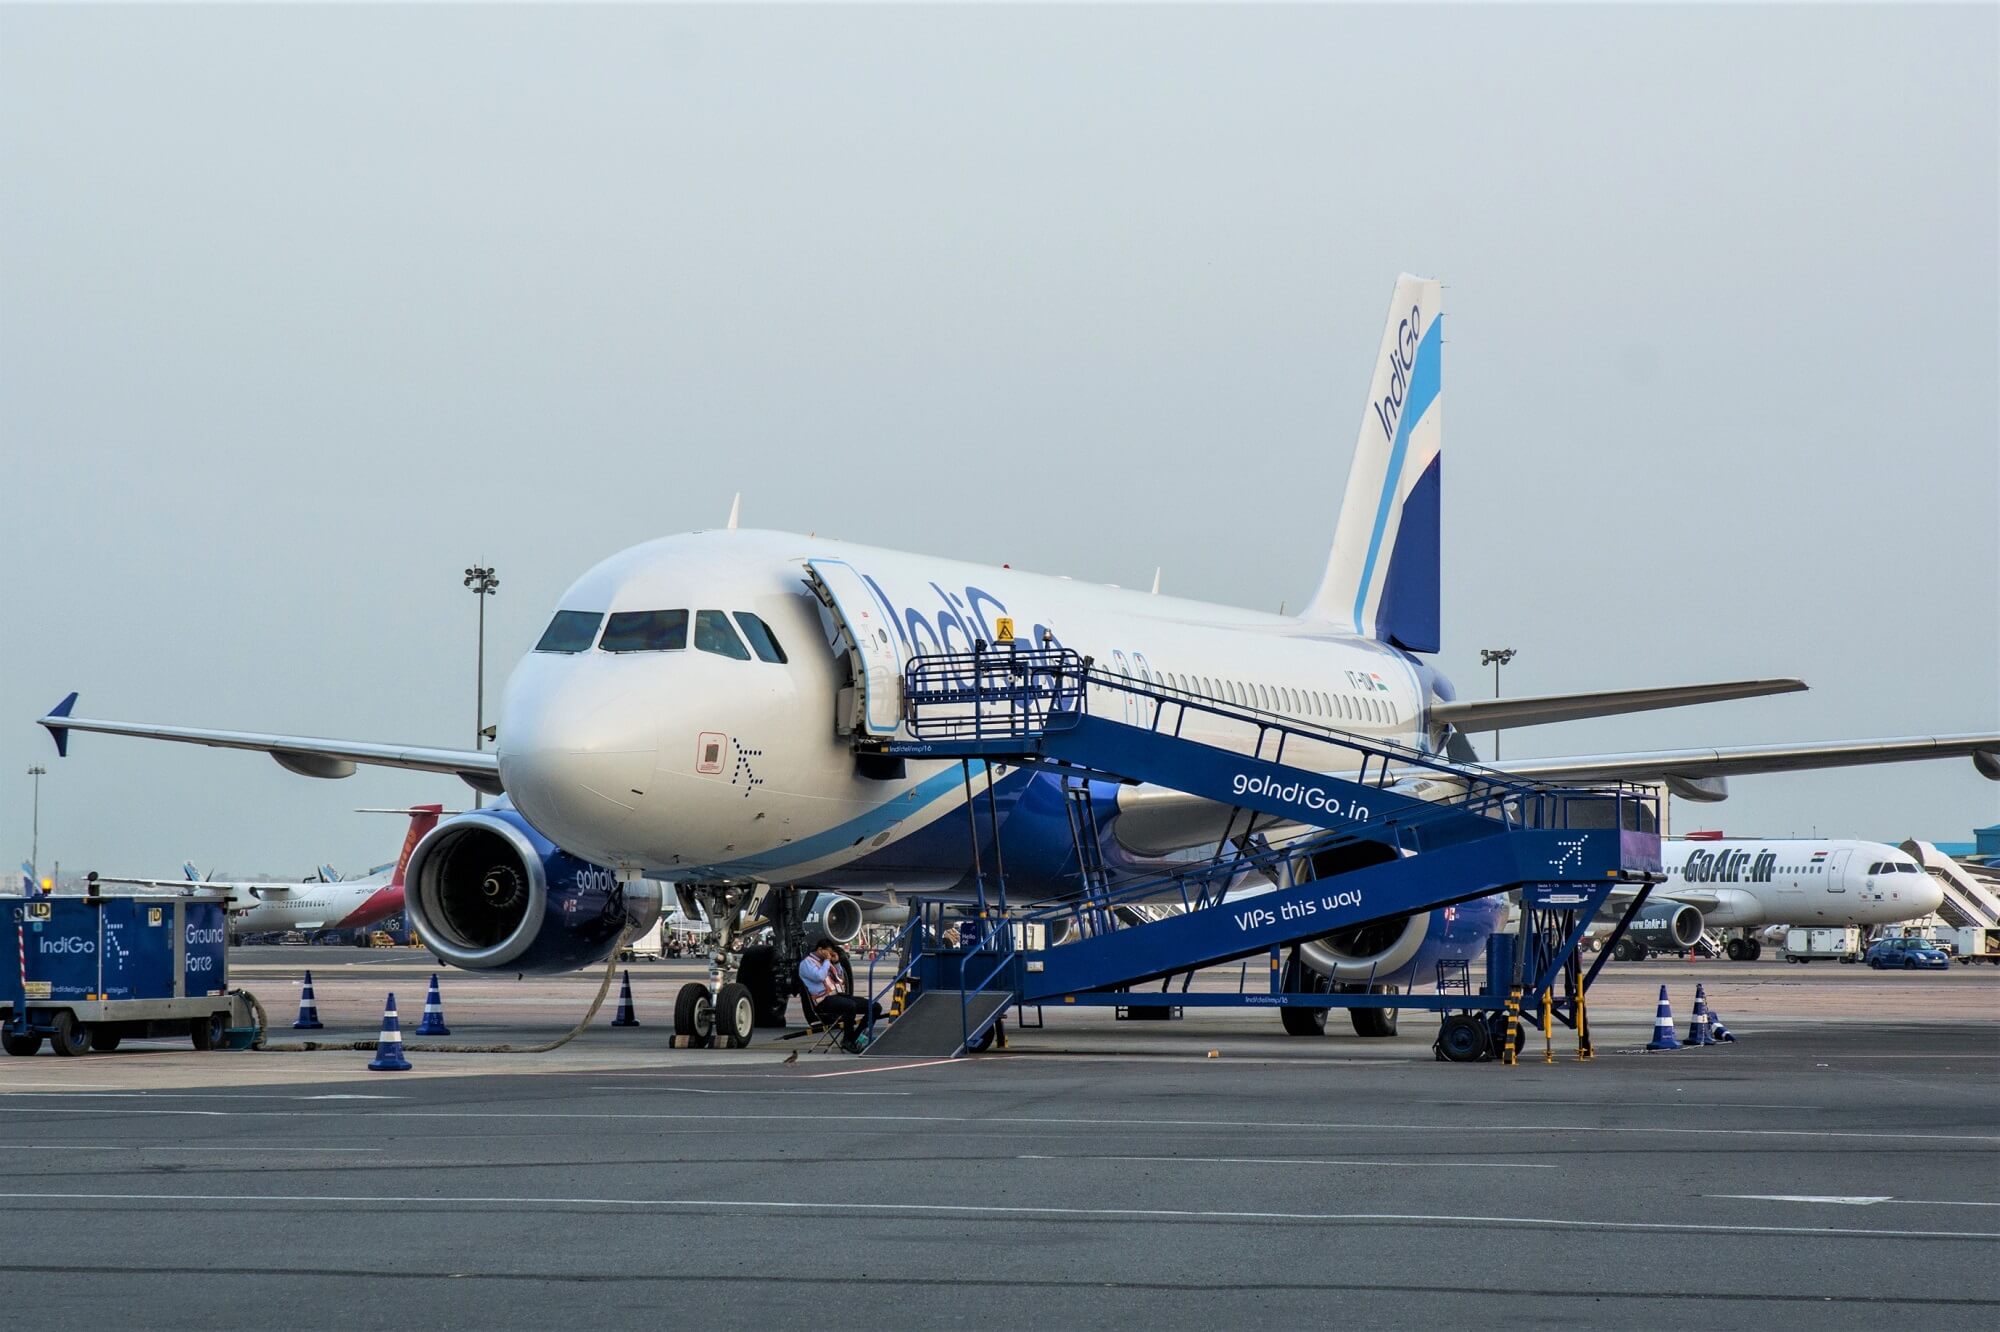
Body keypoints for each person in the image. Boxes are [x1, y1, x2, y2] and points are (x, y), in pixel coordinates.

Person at [798, 938, 868, 1051]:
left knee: (874, 1007)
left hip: (837, 996)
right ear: (820, 950)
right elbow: (819, 977)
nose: (830, 956)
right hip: (823, 1001)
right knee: (850, 1006)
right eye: (828, 953)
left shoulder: (828, 963)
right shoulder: (807, 963)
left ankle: (854, 1037)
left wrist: (836, 963)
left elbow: (841, 980)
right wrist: (827, 961)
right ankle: (847, 1039)